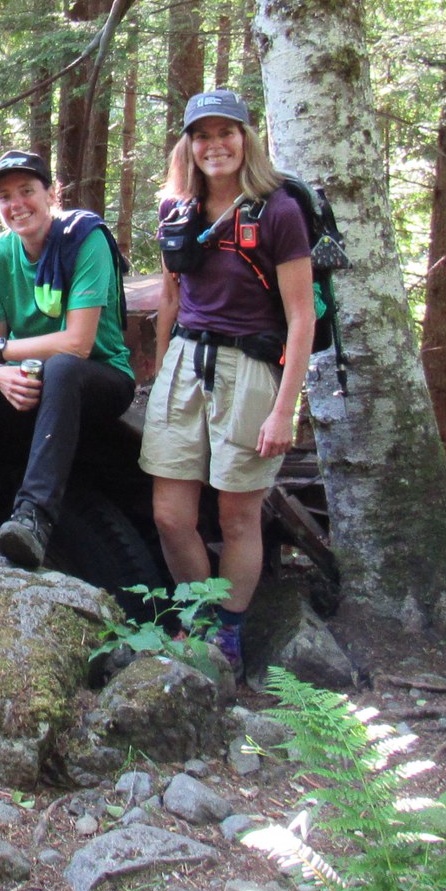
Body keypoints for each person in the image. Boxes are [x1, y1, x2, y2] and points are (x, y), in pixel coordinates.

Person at [140, 89, 314, 674]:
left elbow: (301, 316)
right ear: (188, 145)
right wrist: (163, 371)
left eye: (226, 133)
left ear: (246, 138)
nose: (215, 146)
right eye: (202, 135)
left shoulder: (278, 211)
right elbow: (170, 296)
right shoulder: (176, 210)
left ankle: (228, 638)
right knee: (170, 513)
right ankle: (200, 618)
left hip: (250, 371)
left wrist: (284, 408)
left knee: (239, 516)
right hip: (186, 365)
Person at [0, 149, 137, 569]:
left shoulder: (86, 240)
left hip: (98, 376)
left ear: (51, 193)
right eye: (5, 196)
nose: (16, 204)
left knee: (63, 367)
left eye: (27, 191)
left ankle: (33, 518)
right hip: (32, 379)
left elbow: (78, 344)